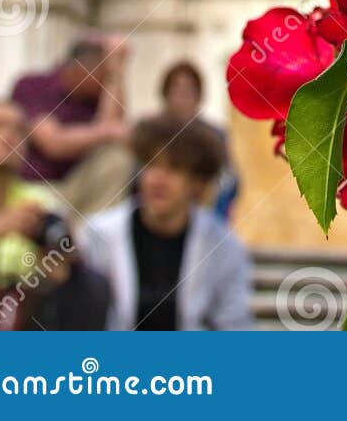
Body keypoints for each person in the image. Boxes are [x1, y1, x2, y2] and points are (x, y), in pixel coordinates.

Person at [0, 101, 108, 331]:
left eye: (19, 130)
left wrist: (58, 253)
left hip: (17, 313)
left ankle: (69, 363)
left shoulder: (40, 200)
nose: (8, 135)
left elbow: (60, 274)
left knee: (89, 283)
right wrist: (0, 227)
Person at [82, 115, 251, 330]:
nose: (158, 180)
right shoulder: (99, 234)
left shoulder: (223, 247)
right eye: (151, 165)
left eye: (174, 169)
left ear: (196, 183)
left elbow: (235, 326)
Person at [11, 35, 132, 218]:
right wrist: (107, 131)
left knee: (117, 157)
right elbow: (53, 143)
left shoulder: (95, 97)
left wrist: (117, 72)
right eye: (104, 76)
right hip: (35, 188)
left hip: (75, 188)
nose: (106, 84)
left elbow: (112, 131)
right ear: (82, 70)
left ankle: (92, 236)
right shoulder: (33, 85)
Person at [159, 61, 238, 220]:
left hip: (205, 208)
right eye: (177, 91)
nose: (182, 98)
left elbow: (229, 178)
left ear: (199, 96)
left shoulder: (215, 136)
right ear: (166, 95)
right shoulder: (154, 134)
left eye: (188, 91)